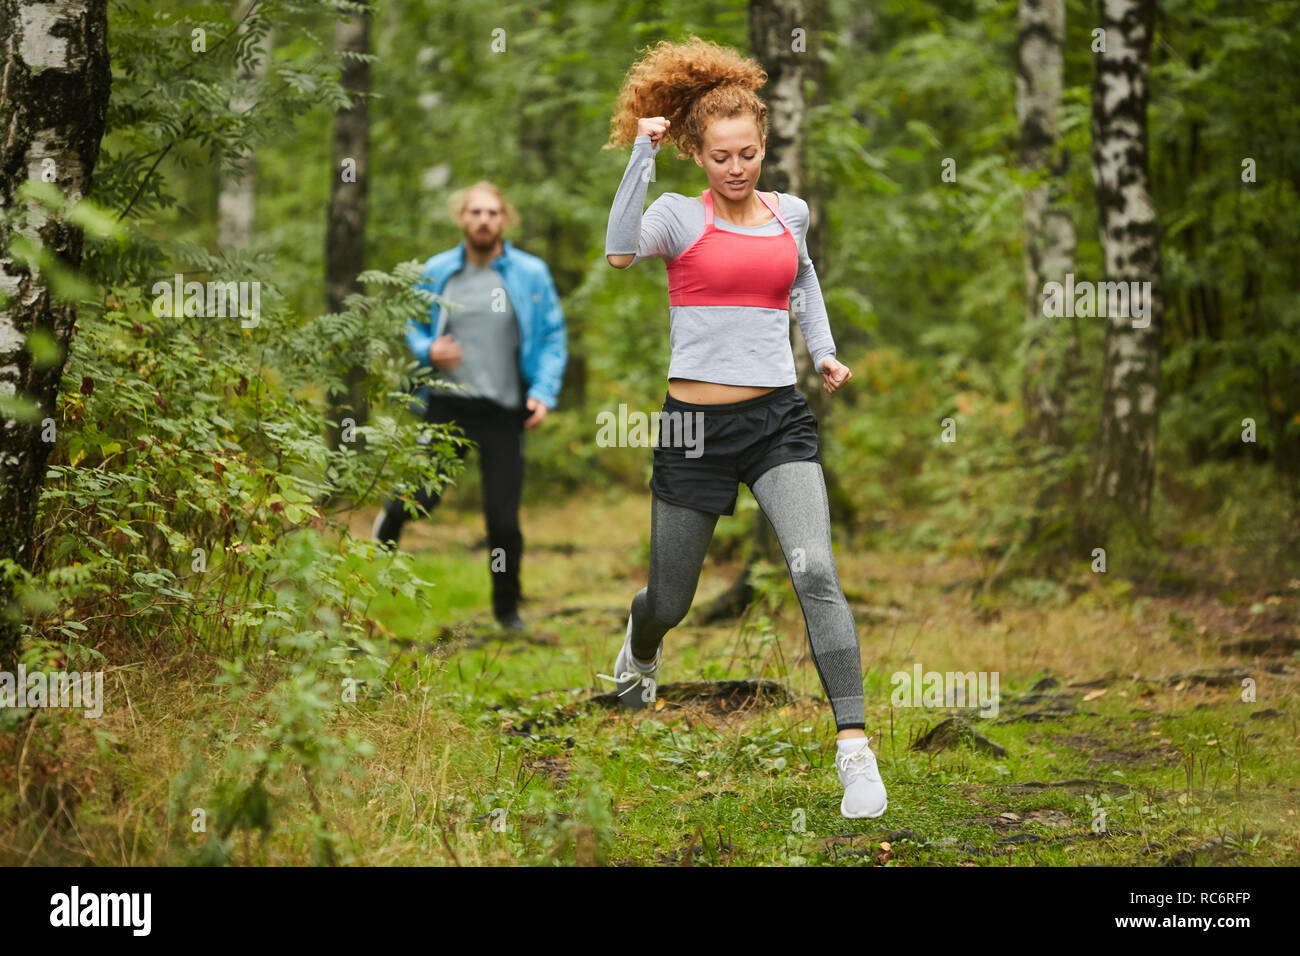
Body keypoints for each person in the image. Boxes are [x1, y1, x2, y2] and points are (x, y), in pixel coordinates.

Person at [597, 38, 887, 818]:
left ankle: (853, 749)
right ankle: (641, 641)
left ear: (764, 148)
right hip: (693, 427)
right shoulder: (674, 218)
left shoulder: (787, 212)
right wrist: (641, 156)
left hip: (776, 421)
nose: (737, 168)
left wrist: (822, 352)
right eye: (722, 155)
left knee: (814, 568)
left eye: (749, 153)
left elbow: (805, 278)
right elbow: (619, 253)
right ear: (698, 152)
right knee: (672, 597)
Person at [374, 181, 567, 633]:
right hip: (447, 406)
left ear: (505, 220)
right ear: (462, 218)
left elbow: (553, 336)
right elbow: (412, 324)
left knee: (502, 520)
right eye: (475, 212)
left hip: (503, 409)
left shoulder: (530, 273)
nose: (484, 220)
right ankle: (389, 518)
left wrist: (543, 391)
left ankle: (507, 611)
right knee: (423, 495)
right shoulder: (438, 271)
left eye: (492, 213)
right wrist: (427, 350)